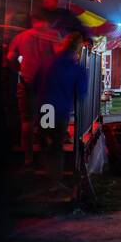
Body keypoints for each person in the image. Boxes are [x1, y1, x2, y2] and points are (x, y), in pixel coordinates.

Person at [5, 10, 61, 168]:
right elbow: (59, 55)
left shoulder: (21, 37)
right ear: (45, 20)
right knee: (47, 119)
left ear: (33, 20)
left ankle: (28, 158)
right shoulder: (52, 35)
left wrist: (19, 69)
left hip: (26, 82)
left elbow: (10, 58)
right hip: (47, 84)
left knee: (27, 121)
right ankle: (45, 153)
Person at [38, 32, 89, 191]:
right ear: (79, 48)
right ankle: (54, 181)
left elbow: (36, 83)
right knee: (57, 144)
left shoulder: (49, 62)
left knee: (46, 141)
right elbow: (81, 92)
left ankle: (46, 174)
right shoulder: (77, 68)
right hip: (61, 110)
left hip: (46, 108)